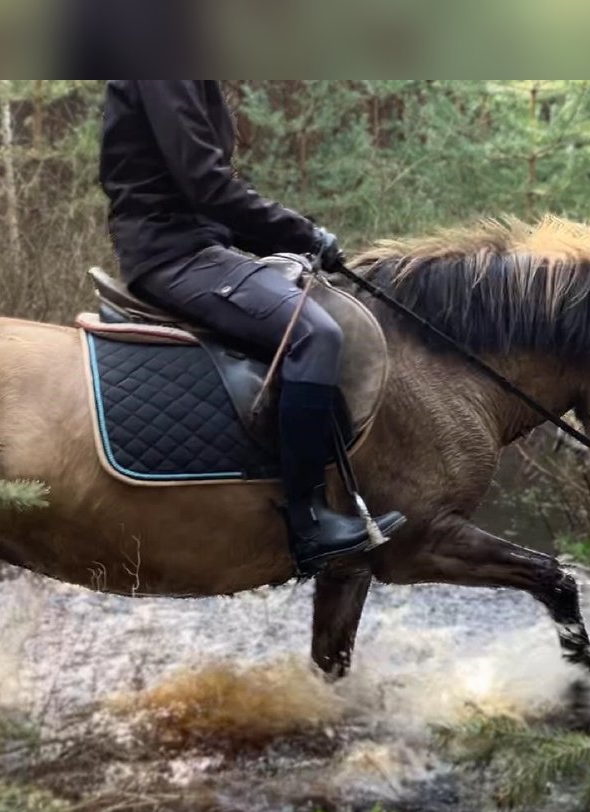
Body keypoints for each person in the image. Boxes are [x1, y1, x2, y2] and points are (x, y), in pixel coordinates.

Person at [99, 80, 404, 572]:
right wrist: (301, 231)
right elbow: (207, 183)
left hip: (192, 244)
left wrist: (296, 242)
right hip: (173, 254)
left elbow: (203, 198)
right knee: (316, 335)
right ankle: (308, 522)